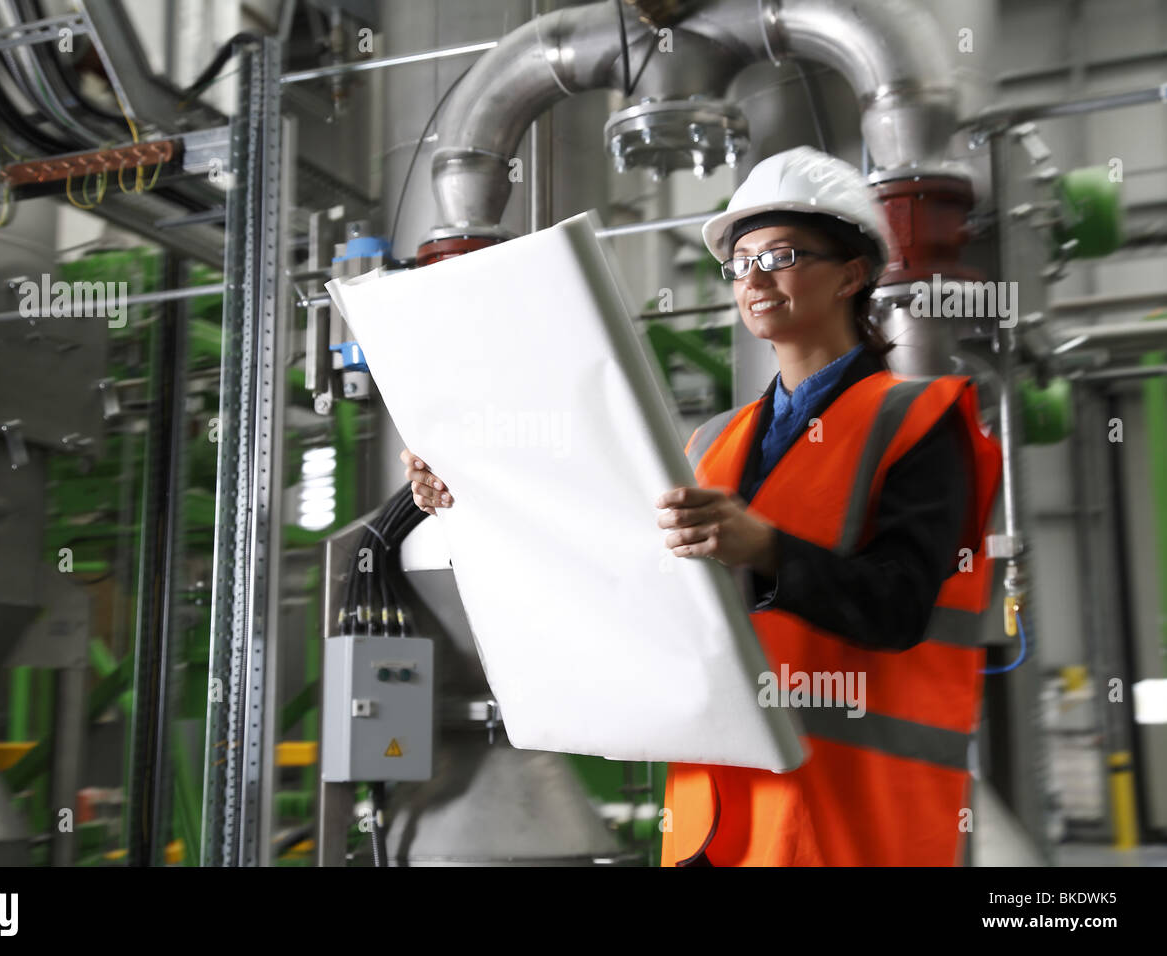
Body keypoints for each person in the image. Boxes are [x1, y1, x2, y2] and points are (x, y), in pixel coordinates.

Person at [403, 145, 1003, 866]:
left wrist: (768, 550)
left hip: (854, 820)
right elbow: (629, 581)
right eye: (740, 263)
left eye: (779, 255)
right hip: (714, 817)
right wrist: (472, 498)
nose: (754, 279)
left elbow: (899, 606)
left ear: (851, 274)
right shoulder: (714, 441)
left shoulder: (921, 420)